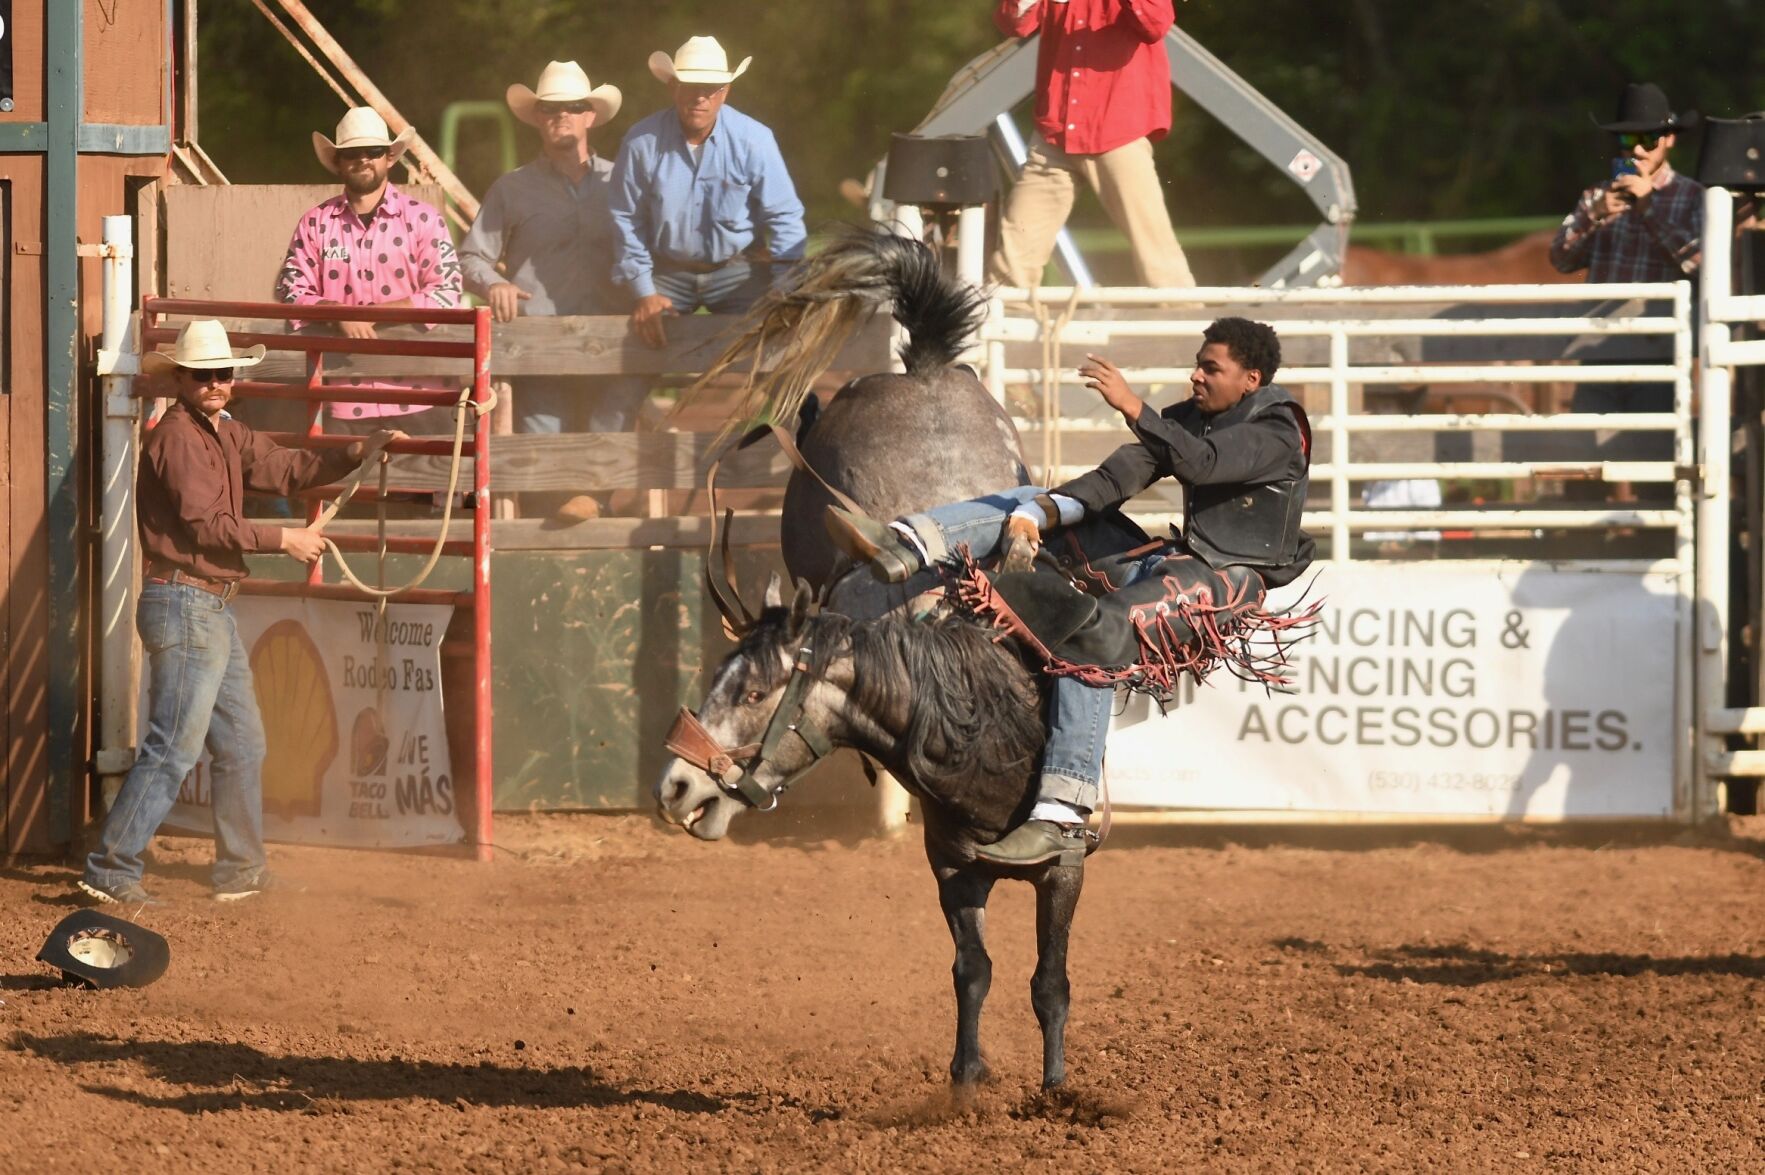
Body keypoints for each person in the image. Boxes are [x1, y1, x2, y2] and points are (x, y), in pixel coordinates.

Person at [827, 317, 1312, 865]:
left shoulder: (1279, 429)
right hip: (1171, 561)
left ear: (1251, 379)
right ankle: (907, 545)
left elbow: (1203, 465)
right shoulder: (1190, 421)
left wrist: (1133, 406)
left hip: (1226, 582)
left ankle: (1062, 814)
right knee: (1035, 498)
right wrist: (1038, 515)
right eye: (1198, 365)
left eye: (1210, 368)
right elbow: (1116, 478)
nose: (1195, 376)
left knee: (1095, 636)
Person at [80, 320, 404, 905]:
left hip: (204, 605)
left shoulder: (223, 434)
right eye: (203, 375)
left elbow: (286, 468)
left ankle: (240, 869)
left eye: (222, 373)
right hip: (187, 602)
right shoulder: (179, 439)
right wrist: (284, 539)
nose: (215, 382)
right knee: (176, 746)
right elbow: (210, 526)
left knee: (243, 744)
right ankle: (111, 868)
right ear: (181, 379)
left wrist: (356, 450)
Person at [460, 60, 647, 521]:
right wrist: (495, 283)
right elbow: (470, 258)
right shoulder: (512, 188)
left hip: (611, 344)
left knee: (610, 431)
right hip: (538, 345)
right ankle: (549, 543)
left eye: (573, 106)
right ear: (538, 118)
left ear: (590, 116)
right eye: (549, 108)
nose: (561, 114)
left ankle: (592, 511)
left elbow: (655, 247)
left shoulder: (624, 182)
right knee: (543, 452)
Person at [1550, 82, 1703, 507]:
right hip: (1598, 357)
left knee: (1657, 471)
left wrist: (1649, 209)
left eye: (1647, 139)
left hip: (1660, 356)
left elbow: (1701, 264)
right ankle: (1583, 544)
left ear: (1668, 140)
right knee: (1585, 467)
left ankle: (1658, 543)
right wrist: (1596, 215)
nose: (1636, 149)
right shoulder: (1596, 196)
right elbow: (1560, 258)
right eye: (1626, 138)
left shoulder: (1693, 197)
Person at [609, 36, 807, 349]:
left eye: (711, 88)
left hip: (738, 269)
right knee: (632, 347)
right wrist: (644, 292)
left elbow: (785, 215)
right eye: (690, 86)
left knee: (776, 345)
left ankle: (785, 385)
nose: (700, 97)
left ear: (725, 91)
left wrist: (784, 286)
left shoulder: (754, 139)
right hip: (666, 270)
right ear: (673, 87)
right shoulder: (641, 142)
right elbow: (625, 218)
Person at [276, 107, 465, 435]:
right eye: (352, 153)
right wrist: (338, 312)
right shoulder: (315, 223)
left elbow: (447, 291)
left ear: (389, 158)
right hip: (344, 398)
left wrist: (371, 314)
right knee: (340, 472)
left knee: (430, 470)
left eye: (373, 150)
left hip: (422, 395)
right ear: (338, 161)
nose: (363, 159)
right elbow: (291, 288)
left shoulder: (424, 219)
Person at [989, 0, 1195, 290]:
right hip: (1056, 133)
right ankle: (1005, 319)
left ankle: (1183, 318)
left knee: (1156, 256)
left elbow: (1156, 22)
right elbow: (1013, 23)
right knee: (1013, 260)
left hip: (1117, 130)